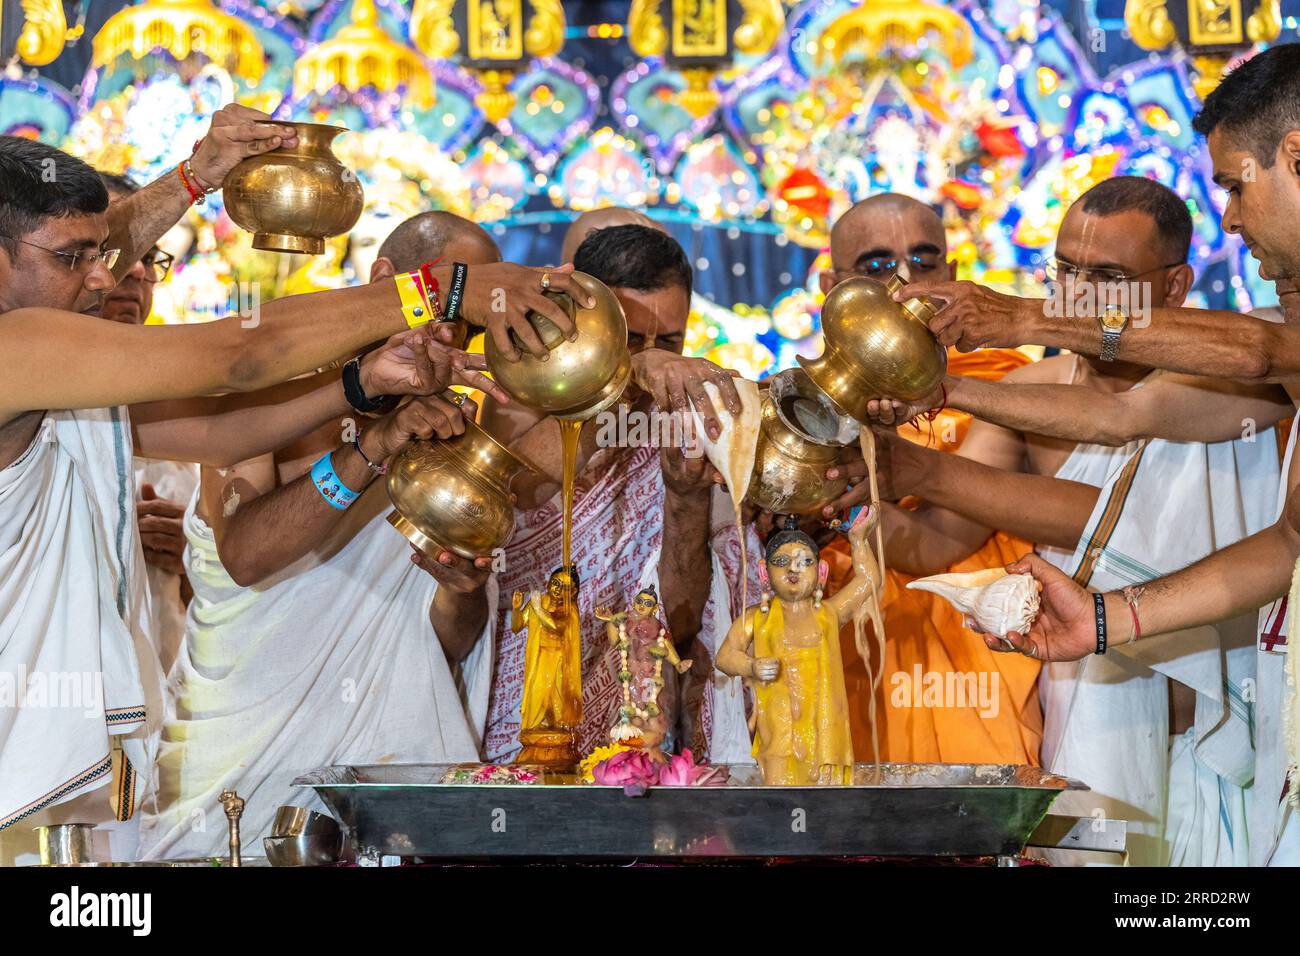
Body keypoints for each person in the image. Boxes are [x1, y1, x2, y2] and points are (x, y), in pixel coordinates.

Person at [0, 127, 586, 863]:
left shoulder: (61, 380)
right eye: (72, 259)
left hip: (60, 773)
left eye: (101, 254)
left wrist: (364, 387)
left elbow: (224, 429)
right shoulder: (16, 351)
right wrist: (447, 290)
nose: (102, 278)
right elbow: (238, 358)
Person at [841, 177, 1287, 865]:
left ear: (1174, 288)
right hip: (1092, 712)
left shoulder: (1239, 376)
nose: (1077, 296)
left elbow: (1114, 506)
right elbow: (932, 541)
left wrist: (928, 466)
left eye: (1107, 278)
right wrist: (845, 495)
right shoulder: (1020, 394)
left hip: (1226, 732)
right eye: (1066, 273)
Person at [135, 211, 510, 859]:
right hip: (242, 781)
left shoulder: (455, 430)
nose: (451, 335)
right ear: (386, 281)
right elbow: (248, 556)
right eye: (446, 303)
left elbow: (443, 644)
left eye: (470, 322)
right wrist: (373, 448)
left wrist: (463, 591)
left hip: (396, 785)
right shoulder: (270, 388)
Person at [477, 223, 759, 764]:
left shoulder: (689, 412)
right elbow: (507, 491)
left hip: (643, 725)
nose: (655, 356)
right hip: (523, 704)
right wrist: (630, 378)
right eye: (630, 339)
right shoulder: (521, 380)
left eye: (669, 341)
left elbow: (682, 624)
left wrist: (685, 498)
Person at [815, 193, 1045, 769]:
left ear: (953, 276)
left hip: (974, 654)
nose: (904, 281)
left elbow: (943, 541)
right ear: (831, 286)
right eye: (875, 266)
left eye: (925, 261)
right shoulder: (800, 401)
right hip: (850, 638)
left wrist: (837, 502)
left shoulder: (1005, 381)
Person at [99, 172, 196, 681]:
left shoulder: (183, 400)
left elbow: (239, 585)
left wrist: (193, 557)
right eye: (117, 249)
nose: (137, 270)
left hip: (164, 696)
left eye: (150, 255)